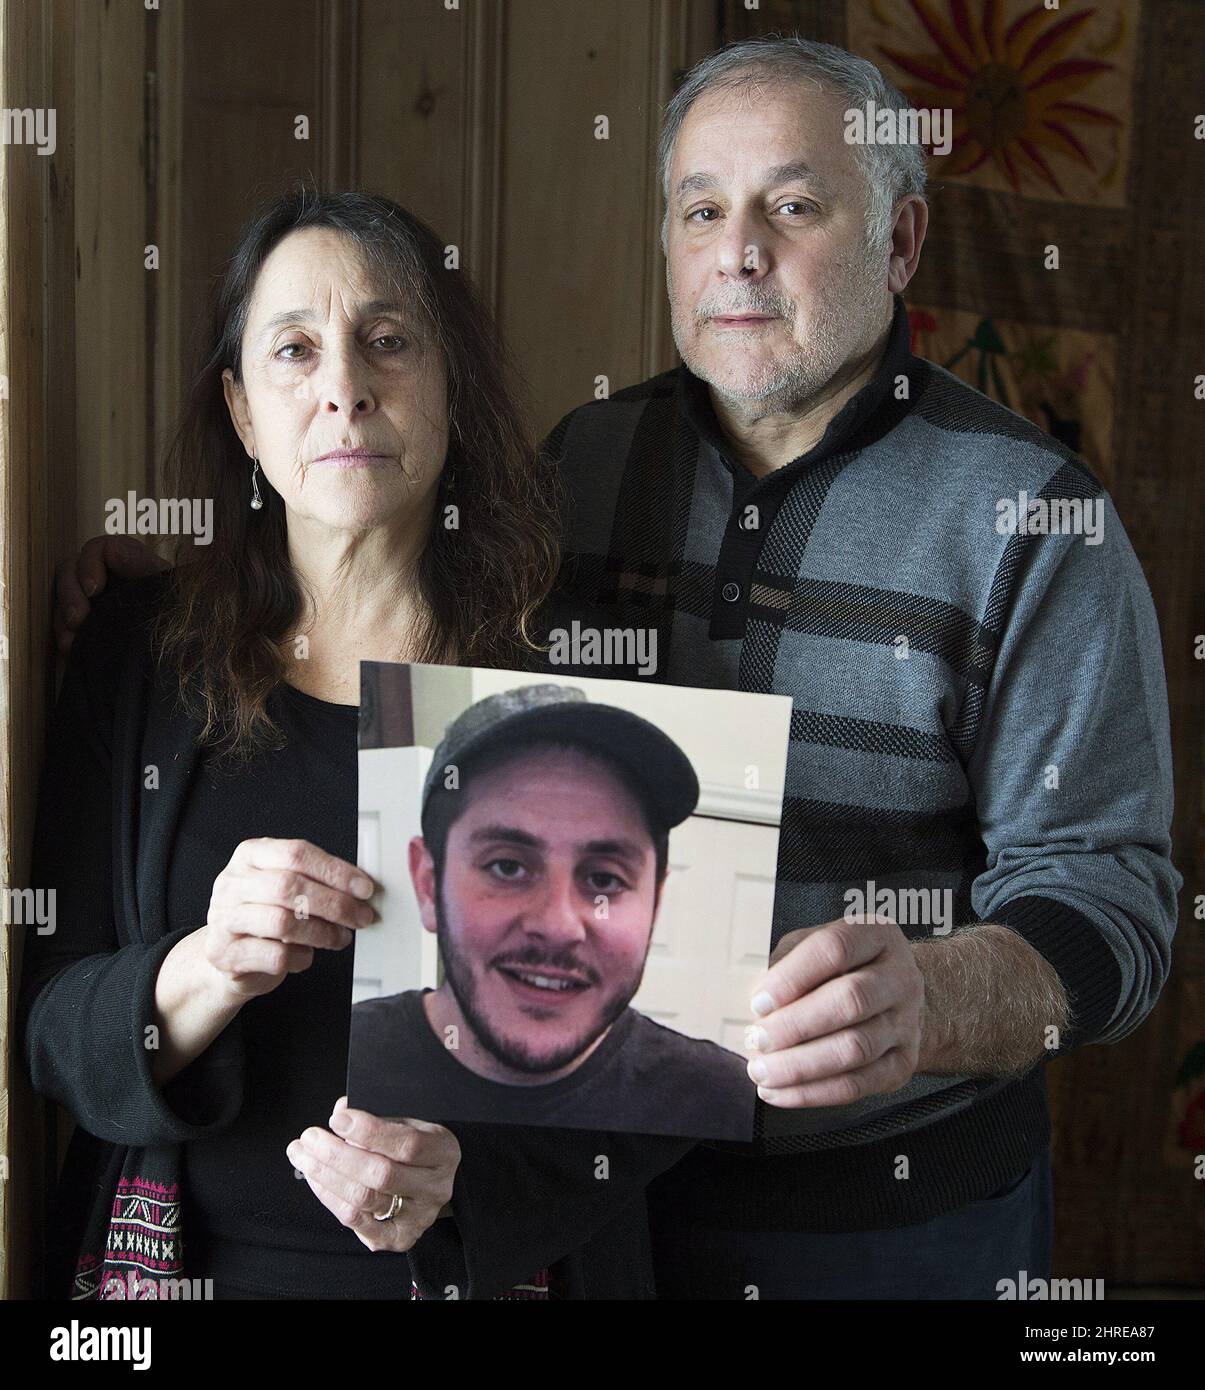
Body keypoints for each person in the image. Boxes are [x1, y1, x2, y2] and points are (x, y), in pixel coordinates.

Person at [56, 36, 1182, 1300]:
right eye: (701, 208)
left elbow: (1111, 903)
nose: (737, 249)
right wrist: (183, 575)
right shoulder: (578, 469)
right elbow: (362, 544)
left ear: (902, 241)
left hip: (892, 1214)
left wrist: (934, 996)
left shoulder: (1029, 519)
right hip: (601, 1221)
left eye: (794, 206)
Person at [20, 187, 569, 1299]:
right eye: (293, 350)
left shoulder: (562, 678)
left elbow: (657, 1085)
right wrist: (206, 963)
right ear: (240, 408)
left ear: (447, 379)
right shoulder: (136, 654)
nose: (343, 389)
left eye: (386, 341)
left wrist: (465, 1176)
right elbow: (49, 1031)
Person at [350, 683, 756, 1140]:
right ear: (428, 886)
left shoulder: (726, 1101)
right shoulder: (343, 1062)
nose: (558, 926)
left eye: (604, 879)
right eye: (507, 867)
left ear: (655, 905)